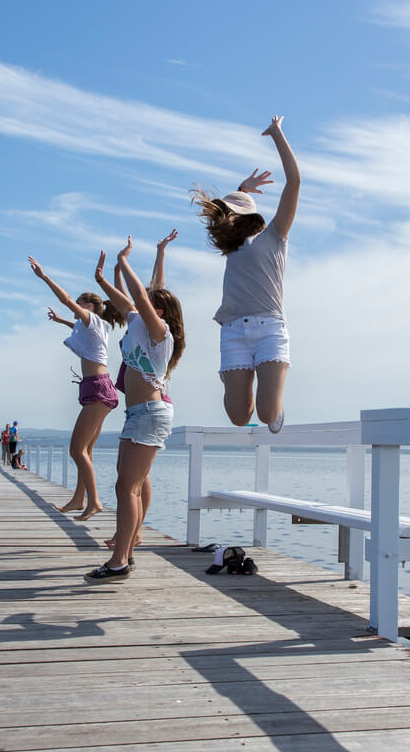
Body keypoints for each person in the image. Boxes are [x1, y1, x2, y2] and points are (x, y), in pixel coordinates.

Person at [85, 239, 185, 581]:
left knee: (127, 487)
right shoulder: (139, 324)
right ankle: (125, 550)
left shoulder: (161, 332)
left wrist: (123, 260)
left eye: (148, 303)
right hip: (138, 415)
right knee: (127, 484)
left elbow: (143, 296)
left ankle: (119, 560)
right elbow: (129, 299)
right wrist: (102, 281)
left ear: (159, 311)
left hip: (151, 414)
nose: (141, 304)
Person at [193, 114, 299, 433]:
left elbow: (294, 182)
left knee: (266, 415)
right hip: (234, 330)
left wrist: (277, 134)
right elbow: (229, 211)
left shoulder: (276, 235)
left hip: (269, 328)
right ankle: (253, 387)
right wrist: (243, 188)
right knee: (239, 417)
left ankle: (275, 406)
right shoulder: (231, 246)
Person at [30, 255, 125, 518]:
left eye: (81, 302)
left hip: (97, 389)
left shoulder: (93, 320)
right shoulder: (97, 326)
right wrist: (62, 321)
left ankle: (94, 501)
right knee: (87, 449)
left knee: (76, 449)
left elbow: (66, 300)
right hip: (99, 388)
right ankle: (78, 499)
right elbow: (76, 324)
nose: (77, 305)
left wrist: (44, 276)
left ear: (90, 307)